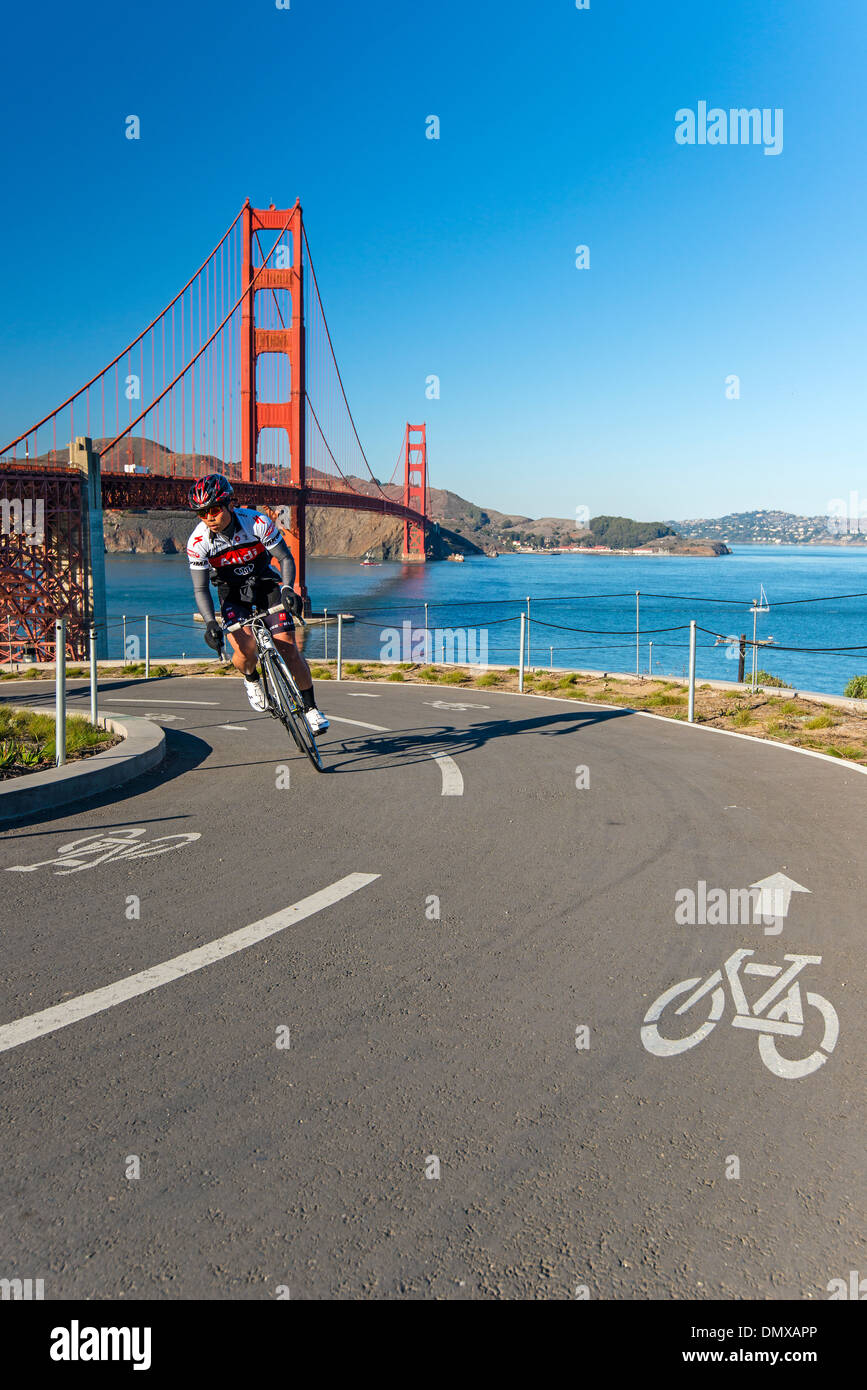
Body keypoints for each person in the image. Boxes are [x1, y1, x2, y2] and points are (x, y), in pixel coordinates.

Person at [186, 473, 329, 732]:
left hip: (265, 584)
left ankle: (311, 709)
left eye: (214, 510)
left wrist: (287, 588)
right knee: (245, 648)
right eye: (202, 513)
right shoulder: (198, 542)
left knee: (288, 648)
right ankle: (251, 679)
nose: (209, 518)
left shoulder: (257, 522)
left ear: (229, 503)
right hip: (231, 594)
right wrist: (209, 623)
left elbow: (285, 559)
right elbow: (200, 587)